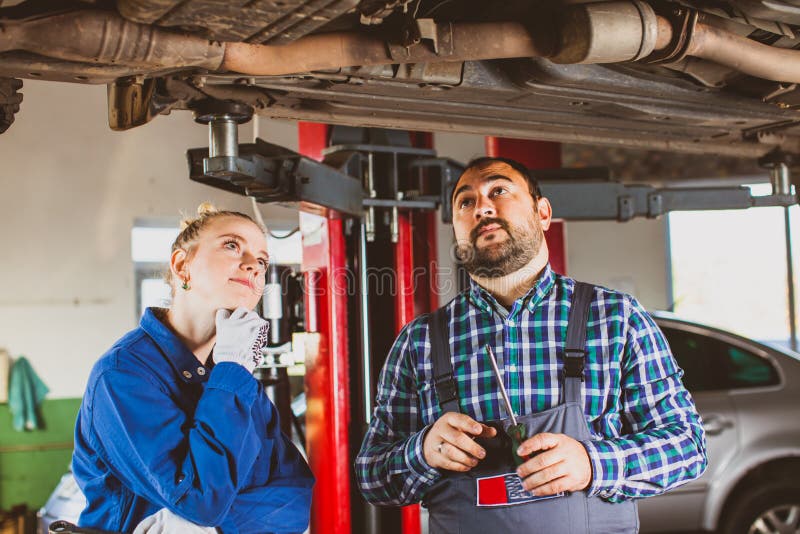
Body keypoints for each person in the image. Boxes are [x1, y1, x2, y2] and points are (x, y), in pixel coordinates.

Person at [355, 157, 707, 533]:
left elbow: (687, 446)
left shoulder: (615, 319)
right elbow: (372, 477)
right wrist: (423, 452)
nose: (483, 207)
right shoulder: (420, 341)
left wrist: (593, 463)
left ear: (543, 212)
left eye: (498, 190)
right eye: (465, 202)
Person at [73, 204, 314, 534]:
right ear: (182, 265)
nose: (253, 267)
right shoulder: (122, 376)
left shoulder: (237, 375)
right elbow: (201, 500)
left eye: (261, 260)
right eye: (232, 245)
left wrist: (216, 527)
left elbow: (295, 494)